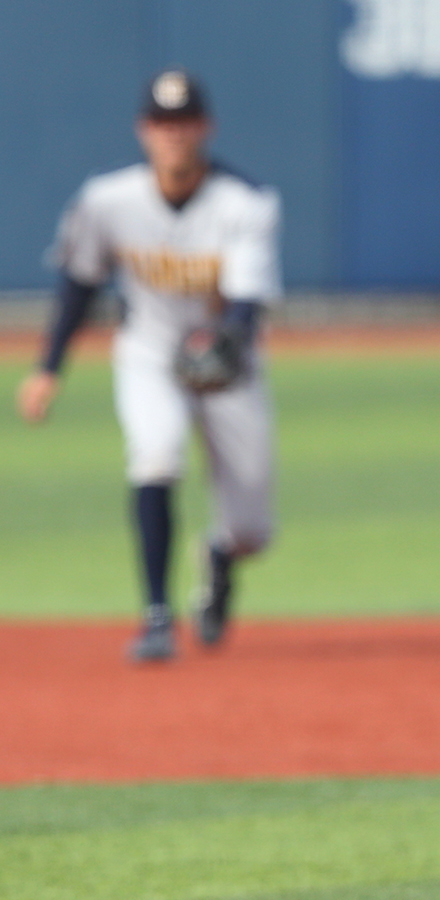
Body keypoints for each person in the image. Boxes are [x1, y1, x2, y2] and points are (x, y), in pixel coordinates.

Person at [14, 68, 281, 662]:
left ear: (205, 128)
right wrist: (49, 367)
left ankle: (217, 553)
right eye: (163, 124)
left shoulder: (246, 201)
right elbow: (79, 284)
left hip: (227, 367)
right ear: (144, 131)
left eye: (184, 122)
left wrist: (224, 340)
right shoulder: (108, 200)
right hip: (150, 352)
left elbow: (246, 303)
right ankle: (157, 616)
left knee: (252, 531)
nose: (174, 135)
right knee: (154, 455)